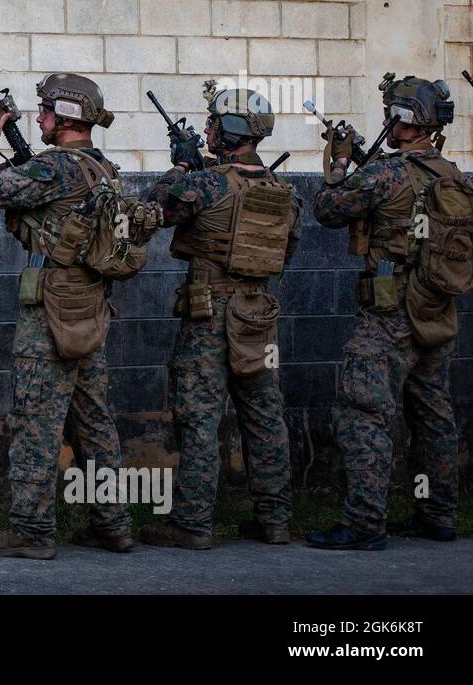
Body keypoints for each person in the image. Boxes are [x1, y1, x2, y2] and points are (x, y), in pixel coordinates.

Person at [0, 73, 159, 560]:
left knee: (37, 420)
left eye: (47, 112)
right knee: (94, 420)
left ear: (68, 117)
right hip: (91, 306)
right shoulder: (104, 168)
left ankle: (31, 531)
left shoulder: (56, 168)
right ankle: (112, 524)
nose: (41, 119)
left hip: (51, 309)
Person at [307, 73, 468, 550]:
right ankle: (437, 514)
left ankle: (364, 522)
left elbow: (330, 207)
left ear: (402, 119)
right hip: (436, 306)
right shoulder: (451, 174)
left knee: (363, 410)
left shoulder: (384, 174)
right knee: (432, 410)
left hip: (389, 310)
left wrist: (340, 161)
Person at [139, 83, 299, 550]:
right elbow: (287, 252)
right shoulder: (282, 190)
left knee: (200, 417)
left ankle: (192, 525)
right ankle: (275, 520)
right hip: (260, 314)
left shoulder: (204, 183)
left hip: (208, 311)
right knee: (265, 415)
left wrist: (183, 164)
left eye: (212, 121)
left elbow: (154, 209)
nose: (206, 128)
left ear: (229, 129)